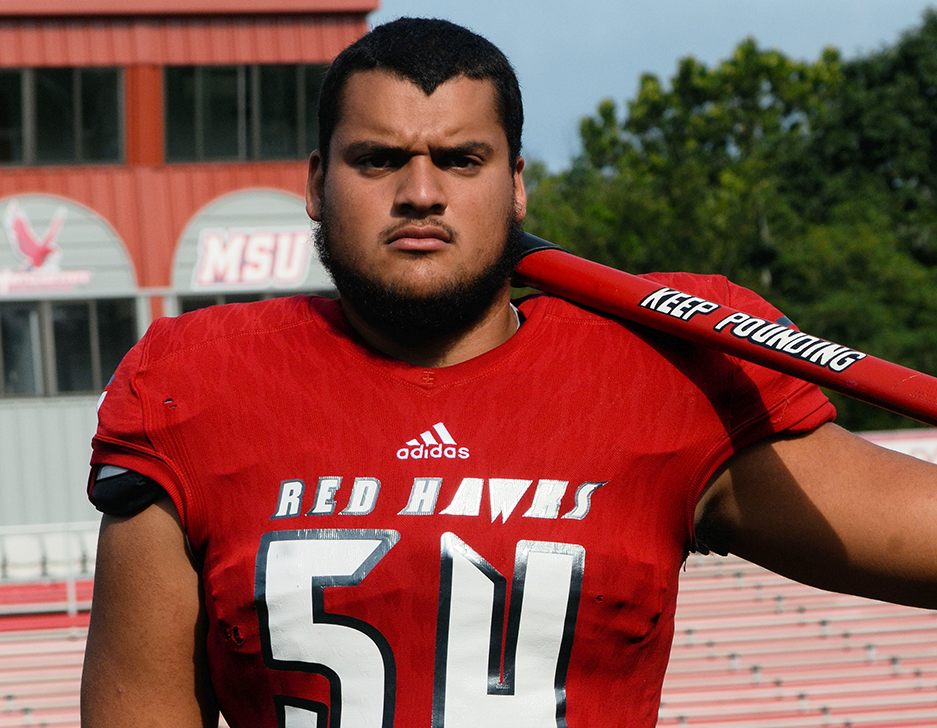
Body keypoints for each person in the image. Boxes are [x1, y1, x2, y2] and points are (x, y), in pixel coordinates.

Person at [80, 17, 937, 728]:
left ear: (516, 185)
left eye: (460, 160)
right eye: (378, 159)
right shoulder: (195, 383)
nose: (420, 191)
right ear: (315, 182)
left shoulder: (656, 370)